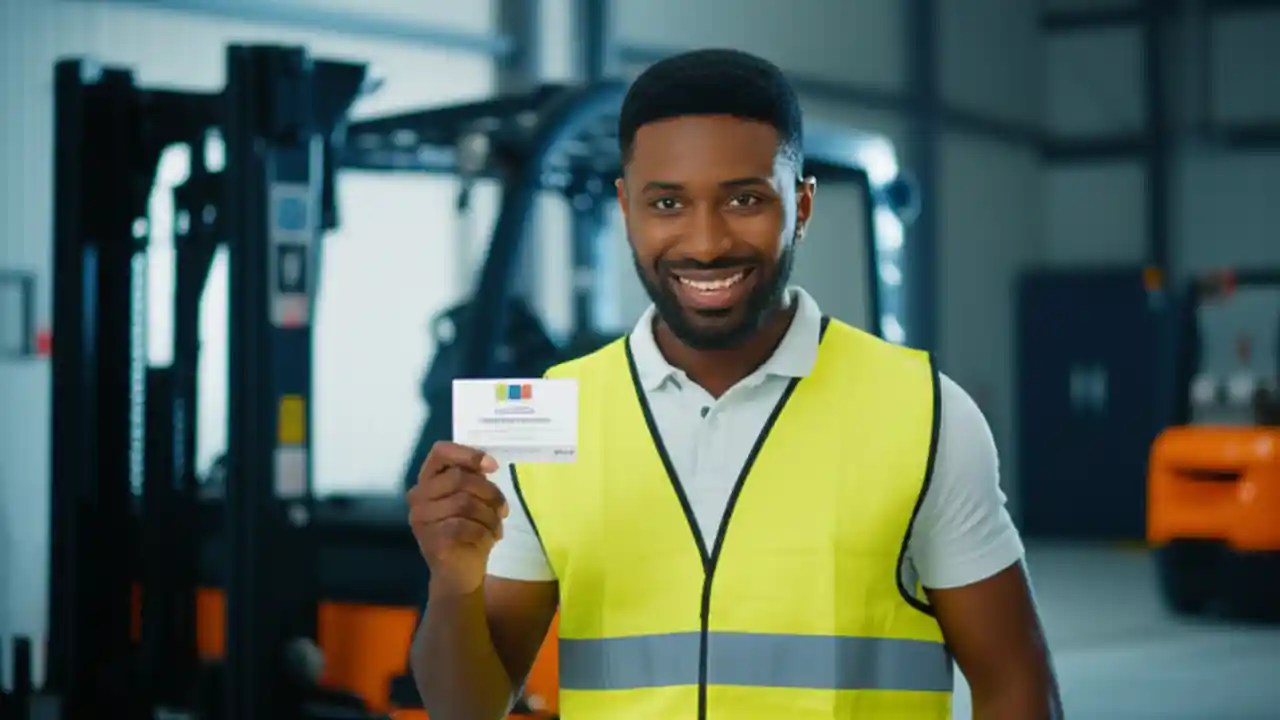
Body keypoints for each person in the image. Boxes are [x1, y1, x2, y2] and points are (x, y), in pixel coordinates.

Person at [406, 48, 1062, 719]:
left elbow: (1017, 686)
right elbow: (469, 709)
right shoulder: (550, 416)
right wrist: (453, 583)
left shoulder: (924, 413)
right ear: (627, 208)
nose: (707, 241)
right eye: (667, 203)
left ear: (801, 206)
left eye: (745, 199)